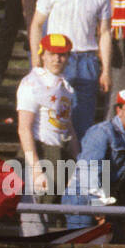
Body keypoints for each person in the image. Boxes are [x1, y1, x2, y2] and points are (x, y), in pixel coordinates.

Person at [28, 0, 111, 141]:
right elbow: (37, 24)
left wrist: (106, 70)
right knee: (51, 119)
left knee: (83, 121)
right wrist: (36, 58)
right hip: (57, 59)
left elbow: (105, 32)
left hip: (87, 60)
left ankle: (78, 168)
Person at [62, 87, 125, 229]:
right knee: (81, 247)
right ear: (119, 110)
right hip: (82, 198)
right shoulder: (102, 133)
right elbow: (88, 174)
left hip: (111, 200)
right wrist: (98, 205)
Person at [17, 32, 77, 233]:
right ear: (42, 55)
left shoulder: (66, 85)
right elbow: (24, 128)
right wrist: (35, 168)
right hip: (40, 152)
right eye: (52, 54)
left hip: (61, 154)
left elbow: (68, 127)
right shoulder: (32, 83)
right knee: (35, 223)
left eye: (62, 55)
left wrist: (77, 161)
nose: (57, 59)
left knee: (56, 221)